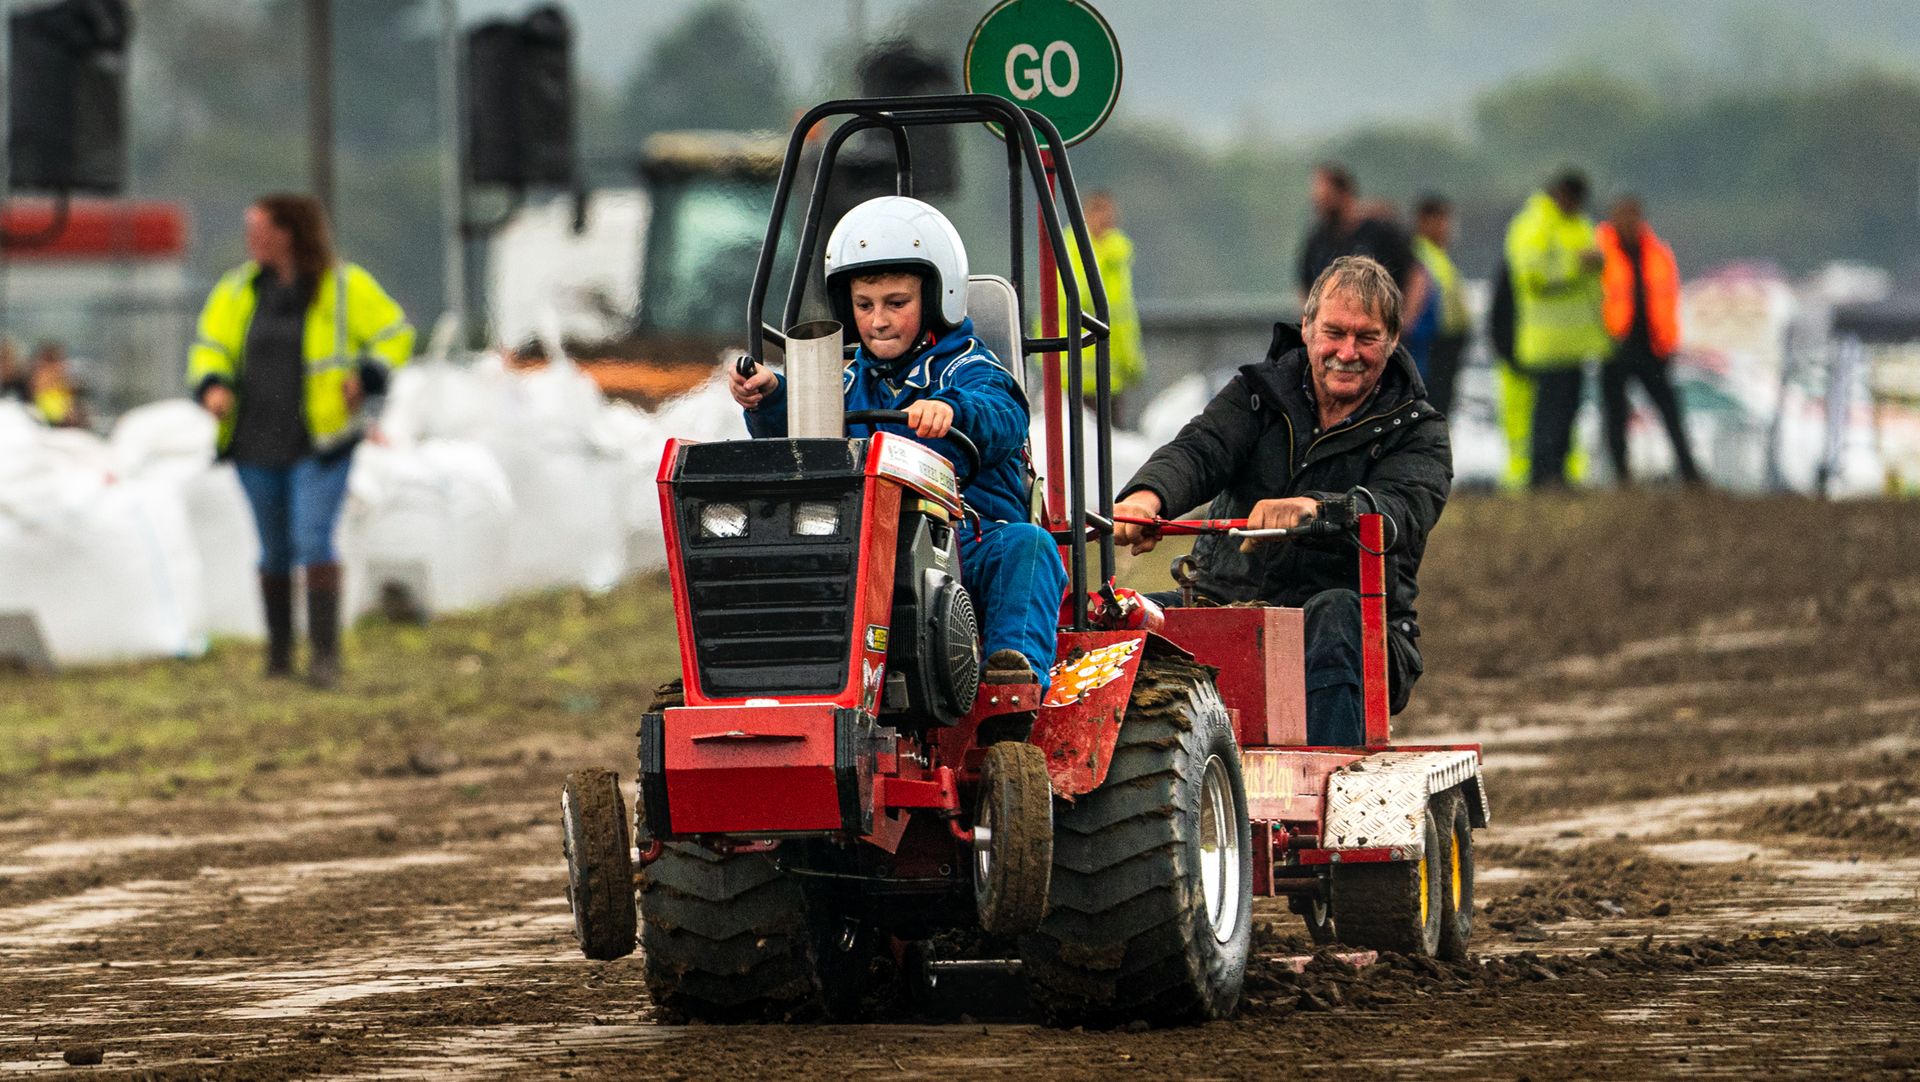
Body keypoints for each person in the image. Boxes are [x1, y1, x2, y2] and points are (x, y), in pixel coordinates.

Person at [730, 195, 1066, 713]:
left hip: (963, 544)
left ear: (935, 300)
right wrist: (771, 397)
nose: (878, 321)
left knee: (1030, 546)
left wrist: (952, 411)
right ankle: (763, 689)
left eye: (896, 303)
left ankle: (1009, 688)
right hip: (864, 548)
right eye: (864, 306)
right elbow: (801, 442)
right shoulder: (843, 383)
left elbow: (1002, 414)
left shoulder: (971, 369)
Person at [1112, 256, 1451, 746]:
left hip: (1361, 630)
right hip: (1223, 603)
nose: (1347, 352)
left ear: (1393, 339)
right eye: (1334, 333)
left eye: (1366, 337)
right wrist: (1148, 496)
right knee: (1118, 621)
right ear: (1307, 327)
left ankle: (1333, 771)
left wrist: (1316, 509)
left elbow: (1401, 510)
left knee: (1335, 614)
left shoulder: (1420, 432)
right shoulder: (1256, 395)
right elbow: (1201, 450)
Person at [187, 193, 414, 687]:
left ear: (288, 233)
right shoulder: (236, 291)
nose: (250, 238)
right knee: (273, 551)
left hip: (321, 440)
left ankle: (324, 657)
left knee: (313, 539)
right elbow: (210, 346)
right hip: (254, 440)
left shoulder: (344, 286)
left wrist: (367, 376)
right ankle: (279, 657)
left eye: (259, 228)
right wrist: (212, 385)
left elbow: (395, 334)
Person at [1504, 169, 1609, 488]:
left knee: (1567, 413)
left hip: (1577, 342)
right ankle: (1543, 475)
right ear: (1560, 193)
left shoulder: (1580, 223)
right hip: (1547, 341)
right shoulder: (1533, 223)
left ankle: (1558, 475)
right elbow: (1532, 273)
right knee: (1548, 414)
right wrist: (1577, 264)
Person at [1596, 195, 1701, 486]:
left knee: (1670, 410)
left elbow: (1669, 299)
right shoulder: (1598, 251)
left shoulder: (1658, 252)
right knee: (1616, 415)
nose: (1629, 221)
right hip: (1615, 345)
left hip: (1652, 345)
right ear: (1612, 218)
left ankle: (1689, 472)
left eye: (1633, 215)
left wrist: (1668, 341)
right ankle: (1621, 476)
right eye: (1623, 215)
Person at [1297, 162, 1427, 333]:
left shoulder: (1381, 231)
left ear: (1343, 192)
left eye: (1325, 197)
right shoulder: (1318, 239)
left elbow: (1416, 275)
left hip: (1379, 328)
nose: (1318, 203)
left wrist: (1405, 322)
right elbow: (1304, 285)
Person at [1054, 190, 1146, 426]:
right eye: (1099, 212)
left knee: (1113, 439)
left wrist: (1131, 363)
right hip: (1076, 373)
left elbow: (1123, 316)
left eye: (1109, 213)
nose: (1106, 220)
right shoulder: (1071, 250)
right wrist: (1101, 257)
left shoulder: (1118, 256)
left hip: (1112, 373)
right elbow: (1076, 299)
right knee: (1080, 436)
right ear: (1085, 215)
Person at [1412, 194, 1470, 420]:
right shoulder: (1419, 254)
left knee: (1441, 410)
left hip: (1447, 346)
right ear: (1425, 221)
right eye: (1442, 220)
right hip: (1431, 346)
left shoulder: (1438, 255)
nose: (1448, 228)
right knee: (1432, 409)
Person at [27, 342, 89, 429]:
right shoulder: (41, 379)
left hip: (64, 424)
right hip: (48, 423)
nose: (61, 366)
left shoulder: (64, 383)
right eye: (57, 362)